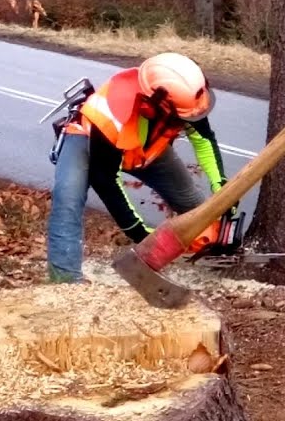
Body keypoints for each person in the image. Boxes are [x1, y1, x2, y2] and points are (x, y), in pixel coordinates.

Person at [45, 52, 228, 283]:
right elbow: (104, 180)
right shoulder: (112, 114)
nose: (187, 121)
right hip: (91, 139)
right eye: (180, 118)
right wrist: (138, 231)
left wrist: (221, 189)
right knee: (67, 198)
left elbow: (203, 139)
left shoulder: (187, 98)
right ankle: (65, 279)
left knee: (196, 206)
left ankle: (212, 260)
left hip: (146, 150)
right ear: (156, 105)